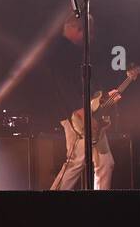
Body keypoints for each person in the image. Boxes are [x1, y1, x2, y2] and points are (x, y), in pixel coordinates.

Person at [49, 11, 117, 190]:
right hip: (76, 115)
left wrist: (102, 98)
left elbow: (85, 84)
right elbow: (62, 83)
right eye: (87, 32)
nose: (89, 37)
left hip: (90, 114)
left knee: (105, 163)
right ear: (76, 29)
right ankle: (51, 207)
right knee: (76, 162)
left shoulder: (75, 52)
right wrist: (80, 110)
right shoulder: (60, 50)